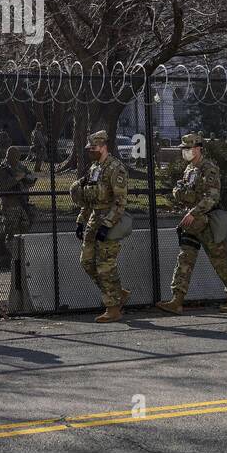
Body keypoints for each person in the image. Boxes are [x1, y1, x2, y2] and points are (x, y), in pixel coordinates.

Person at [156, 133, 227, 314]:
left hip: (207, 222)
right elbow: (183, 192)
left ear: (198, 149)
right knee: (185, 259)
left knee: (220, 262)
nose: (185, 152)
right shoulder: (189, 169)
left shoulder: (208, 168)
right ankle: (177, 300)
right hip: (192, 224)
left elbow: (212, 196)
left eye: (188, 148)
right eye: (183, 148)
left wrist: (194, 212)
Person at [69, 130, 130, 322]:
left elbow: (120, 202)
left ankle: (113, 308)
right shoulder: (94, 168)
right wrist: (81, 220)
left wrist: (108, 225)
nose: (91, 152)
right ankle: (118, 293)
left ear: (103, 147)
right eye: (89, 149)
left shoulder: (115, 168)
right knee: (87, 262)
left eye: (94, 148)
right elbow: (88, 198)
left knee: (105, 265)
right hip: (94, 219)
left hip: (110, 220)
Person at [0, 146, 37, 257]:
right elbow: (3, 186)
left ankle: (22, 256)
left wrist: (27, 179)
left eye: (18, 157)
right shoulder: (0, 169)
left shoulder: (19, 167)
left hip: (22, 204)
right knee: (12, 233)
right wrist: (17, 178)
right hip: (10, 205)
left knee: (25, 229)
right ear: (8, 156)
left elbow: (31, 177)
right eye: (14, 157)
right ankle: (15, 258)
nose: (16, 160)